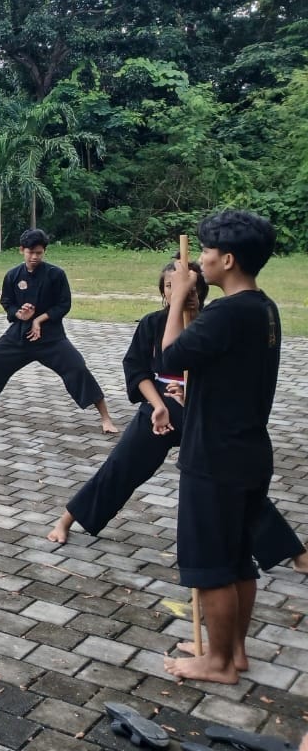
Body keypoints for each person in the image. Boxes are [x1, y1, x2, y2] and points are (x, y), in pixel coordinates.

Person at [47, 259, 308, 574]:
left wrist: (191, 397)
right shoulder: (152, 324)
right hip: (158, 410)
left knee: (232, 481)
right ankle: (67, 520)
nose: (183, 292)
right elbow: (138, 369)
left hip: (201, 415)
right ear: (163, 291)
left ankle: (294, 553)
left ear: (201, 288)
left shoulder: (212, 323)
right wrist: (157, 405)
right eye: (171, 286)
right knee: (121, 466)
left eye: (190, 285)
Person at [159, 211, 281, 685]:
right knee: (237, 558)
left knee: (211, 563)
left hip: (214, 455)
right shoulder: (262, 307)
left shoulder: (227, 312)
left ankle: (218, 663)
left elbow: (169, 358)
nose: (200, 260)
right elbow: (226, 369)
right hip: (249, 448)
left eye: (207, 254)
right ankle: (233, 651)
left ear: (227, 260)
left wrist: (178, 300)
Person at [0, 228, 118, 434]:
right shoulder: (13, 275)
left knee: (77, 368)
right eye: (30, 252)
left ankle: (105, 418)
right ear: (22, 250)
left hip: (51, 338)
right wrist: (20, 314)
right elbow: (6, 302)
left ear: (44, 252)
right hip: (19, 336)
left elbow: (64, 304)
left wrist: (39, 319)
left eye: (39, 252)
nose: (35, 257)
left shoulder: (56, 275)